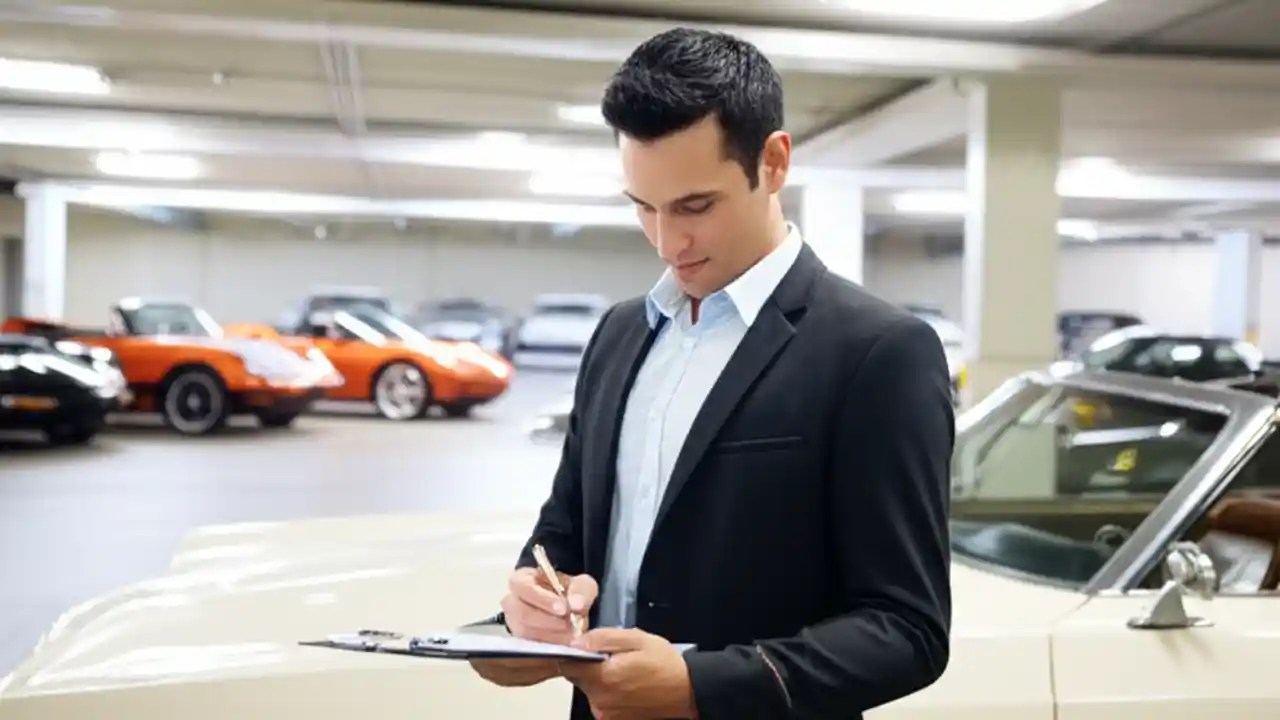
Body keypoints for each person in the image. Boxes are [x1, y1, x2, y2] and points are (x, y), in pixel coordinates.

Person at [470, 26, 954, 720]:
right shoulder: (618, 335)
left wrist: (700, 688)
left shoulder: (880, 352)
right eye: (643, 208)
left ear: (774, 162)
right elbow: (565, 535)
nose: (669, 242)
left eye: (695, 206)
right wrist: (528, 613)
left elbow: (907, 630)